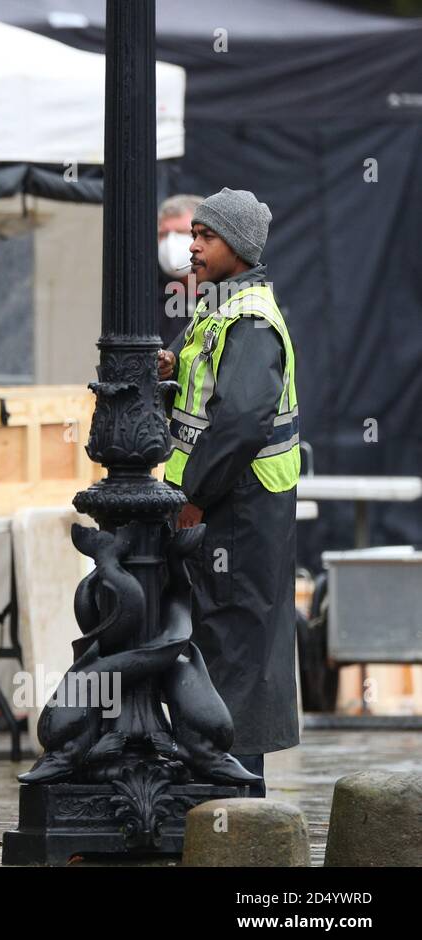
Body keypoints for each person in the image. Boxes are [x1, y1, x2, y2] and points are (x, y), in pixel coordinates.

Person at [157, 187, 300, 798]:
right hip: (229, 504)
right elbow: (211, 400)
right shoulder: (221, 307)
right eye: (193, 234)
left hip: (238, 509)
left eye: (205, 237)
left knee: (235, 653)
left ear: (238, 249)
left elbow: (241, 421)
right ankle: (218, 791)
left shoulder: (250, 318)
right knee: (219, 645)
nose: (191, 247)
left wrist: (191, 495)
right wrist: (172, 375)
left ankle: (235, 804)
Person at [157, 193, 203, 348]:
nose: (171, 242)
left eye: (182, 232)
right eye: (163, 234)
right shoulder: (144, 293)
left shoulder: (231, 289)